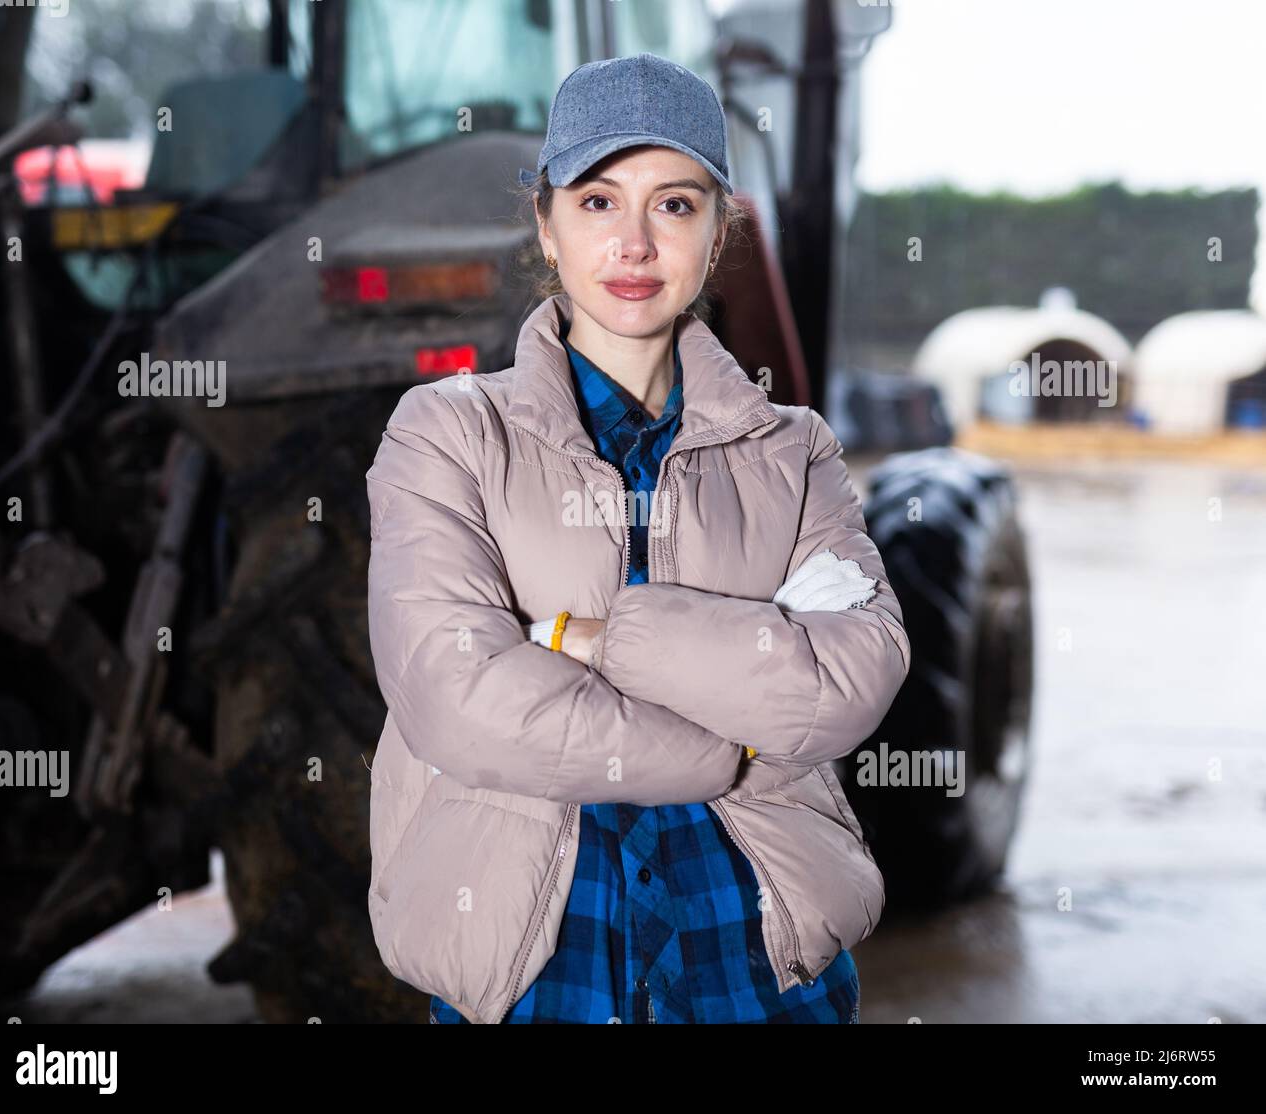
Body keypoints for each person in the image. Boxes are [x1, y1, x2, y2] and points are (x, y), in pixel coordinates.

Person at [365, 52, 910, 1025]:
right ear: (545, 221)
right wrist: (730, 745)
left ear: (718, 230)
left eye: (673, 205)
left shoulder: (794, 451)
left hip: (751, 959)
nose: (633, 243)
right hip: (541, 958)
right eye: (598, 201)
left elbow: (851, 679)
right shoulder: (446, 432)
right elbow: (456, 698)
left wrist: (590, 641)